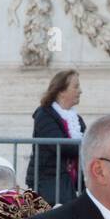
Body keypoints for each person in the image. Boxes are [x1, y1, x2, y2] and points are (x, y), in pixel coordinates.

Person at [26, 69, 86, 205]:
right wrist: (88, 146)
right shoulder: (44, 114)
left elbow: (86, 142)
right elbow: (61, 146)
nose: (80, 91)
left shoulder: (76, 119)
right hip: (49, 181)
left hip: (70, 182)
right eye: (76, 87)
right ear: (61, 91)